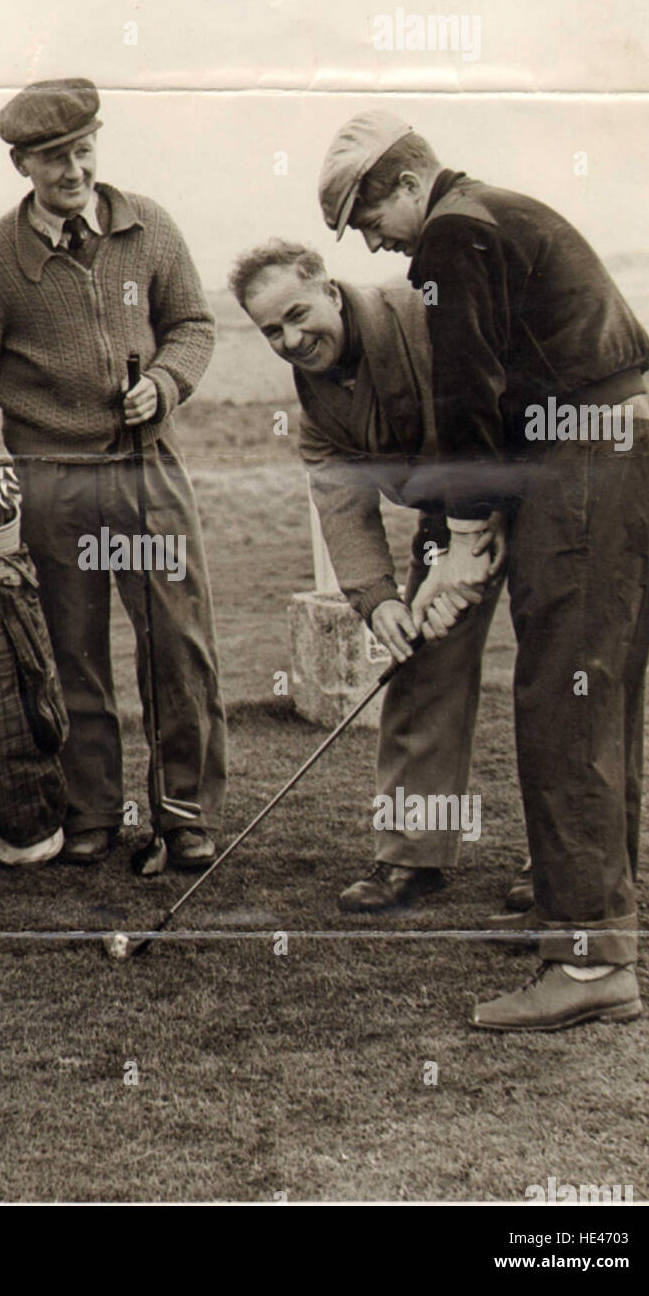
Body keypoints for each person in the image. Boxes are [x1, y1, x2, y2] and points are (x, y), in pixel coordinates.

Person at [320, 110, 649, 1030]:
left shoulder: (452, 232)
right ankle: (593, 919)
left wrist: (468, 536)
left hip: (581, 462)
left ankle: (590, 961)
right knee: (598, 695)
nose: (377, 246)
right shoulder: (490, 214)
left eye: (367, 221)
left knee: (564, 700)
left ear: (404, 185)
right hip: (610, 450)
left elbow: (468, 391)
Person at [0, 78, 226, 869]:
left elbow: (194, 325)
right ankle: (92, 811)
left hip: (145, 471)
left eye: (83, 149)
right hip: (51, 482)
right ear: (22, 164)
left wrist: (164, 383)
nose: (74, 169)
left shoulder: (148, 227)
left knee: (177, 641)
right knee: (70, 651)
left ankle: (184, 813)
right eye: (54, 157)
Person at [229, 238, 529, 912]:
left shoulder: (421, 313)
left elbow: (490, 414)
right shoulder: (317, 405)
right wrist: (378, 602)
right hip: (445, 519)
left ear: (330, 288)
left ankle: (560, 862)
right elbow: (342, 506)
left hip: (538, 492)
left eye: (297, 313)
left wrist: (477, 534)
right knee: (420, 666)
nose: (290, 338)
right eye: (271, 330)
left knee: (554, 672)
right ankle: (412, 859)